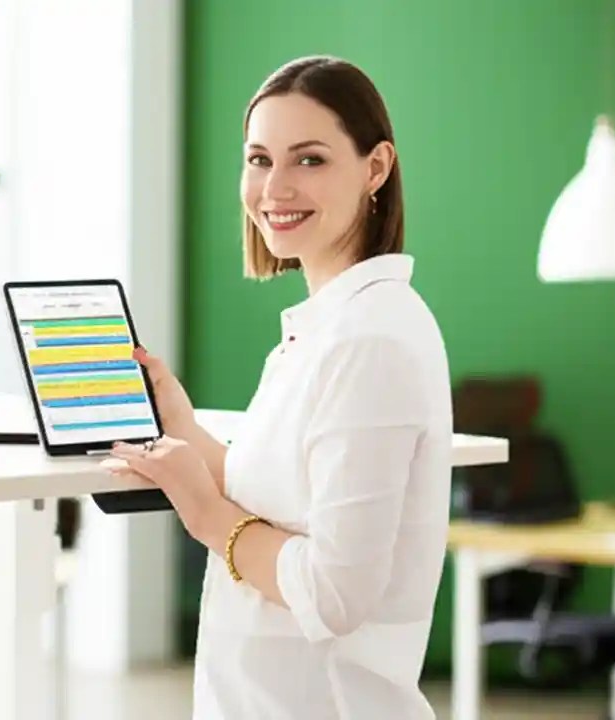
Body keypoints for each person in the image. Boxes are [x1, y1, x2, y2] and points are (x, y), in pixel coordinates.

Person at [108, 56, 452, 719]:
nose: (276, 187)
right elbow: (283, 498)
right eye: (259, 160)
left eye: (309, 160)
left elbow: (334, 593)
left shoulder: (370, 340)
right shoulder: (326, 329)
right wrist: (183, 429)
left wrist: (203, 514)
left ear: (376, 168)